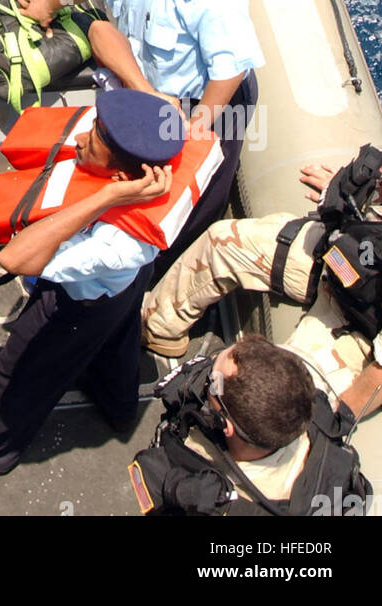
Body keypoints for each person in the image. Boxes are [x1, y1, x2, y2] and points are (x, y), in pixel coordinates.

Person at [19, 0, 264, 271]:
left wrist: (194, 131)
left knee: (191, 204)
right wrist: (48, 6)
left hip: (208, 103)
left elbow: (230, 66)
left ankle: (168, 269)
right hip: (151, 91)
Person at [0, 89, 181, 476]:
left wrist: (108, 197)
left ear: (122, 178)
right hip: (125, 288)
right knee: (118, 343)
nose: (79, 138)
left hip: (76, 307)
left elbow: (14, 259)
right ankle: (118, 408)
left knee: (19, 376)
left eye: (93, 142)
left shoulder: (115, 243)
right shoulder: (156, 170)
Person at [142, 147, 382, 424]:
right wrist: (346, 190)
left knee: (280, 393)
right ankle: (157, 329)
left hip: (356, 324)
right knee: (221, 241)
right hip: (333, 262)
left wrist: (335, 424)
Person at [129, 336, 372, 515]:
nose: (210, 362)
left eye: (212, 382)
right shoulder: (308, 416)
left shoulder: (209, 497)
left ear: (225, 425)